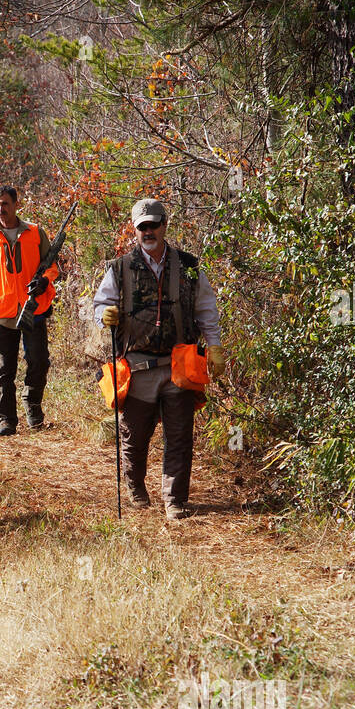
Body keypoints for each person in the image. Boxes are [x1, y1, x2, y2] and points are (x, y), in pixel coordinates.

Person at [93, 198, 225, 521]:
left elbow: (206, 309)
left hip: (180, 365)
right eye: (142, 227)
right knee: (134, 436)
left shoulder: (190, 266)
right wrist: (104, 315)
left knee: (179, 436)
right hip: (136, 367)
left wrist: (216, 346)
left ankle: (174, 500)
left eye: (153, 224)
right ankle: (135, 486)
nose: (148, 231)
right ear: (135, 230)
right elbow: (100, 306)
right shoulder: (119, 267)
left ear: (165, 225)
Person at [0, 185, 58, 436]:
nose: (0, 209)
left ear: (17, 204)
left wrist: (44, 281)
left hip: (34, 310)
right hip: (2, 313)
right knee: (4, 370)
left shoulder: (36, 233)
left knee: (38, 362)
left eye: (5, 204)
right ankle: (6, 420)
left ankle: (33, 404)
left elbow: (52, 267)